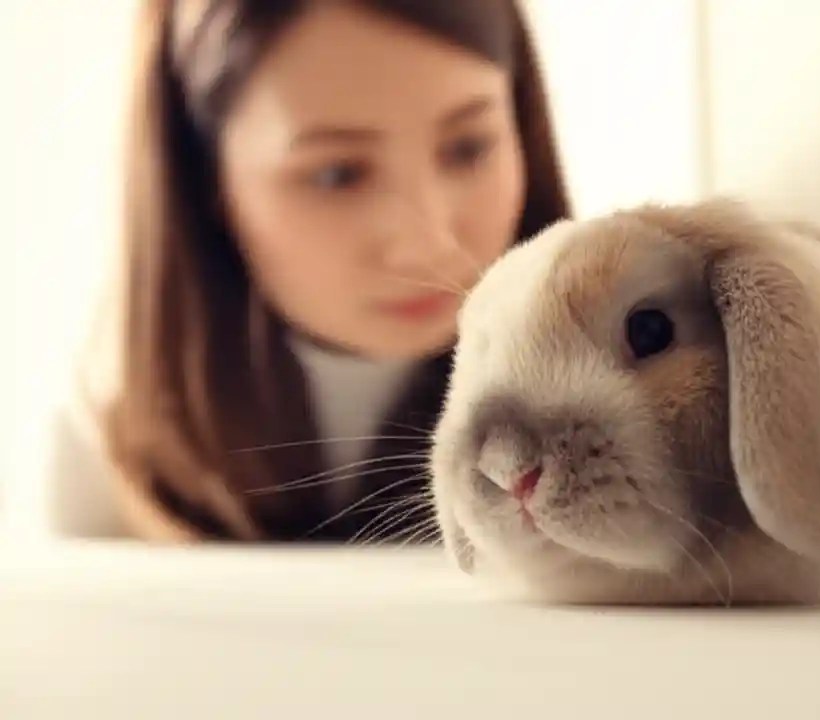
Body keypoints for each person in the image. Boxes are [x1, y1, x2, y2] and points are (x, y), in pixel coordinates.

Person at [44, 0, 572, 542]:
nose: (427, 243)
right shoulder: (114, 451)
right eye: (336, 174)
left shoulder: (634, 384)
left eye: (469, 147)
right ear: (207, 181)